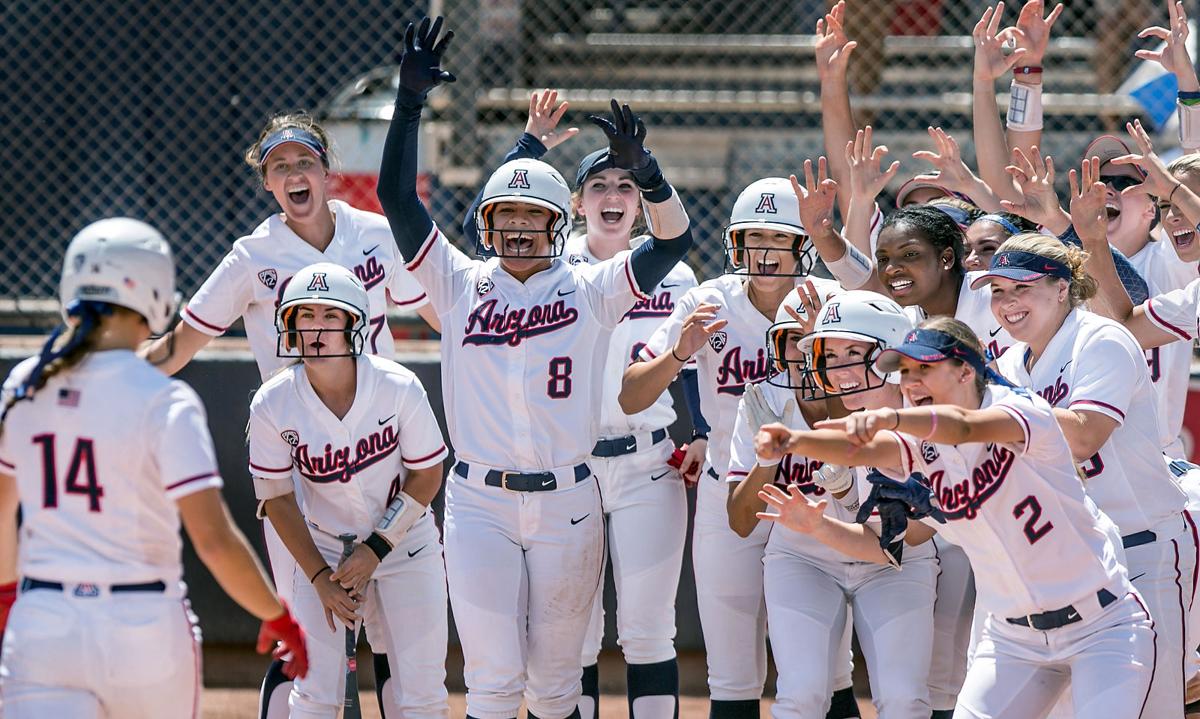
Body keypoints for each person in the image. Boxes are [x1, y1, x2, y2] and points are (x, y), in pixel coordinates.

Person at [376, 17, 695, 719]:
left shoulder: (592, 286)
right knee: (490, 682)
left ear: (561, 223)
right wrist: (408, 106)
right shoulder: (458, 282)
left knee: (555, 686)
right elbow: (397, 200)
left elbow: (675, 241)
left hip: (567, 499)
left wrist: (652, 176)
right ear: (486, 223)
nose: (518, 226)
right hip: (479, 502)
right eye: (506, 214)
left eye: (533, 214)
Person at [139, 111, 436, 719]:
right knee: (314, 643)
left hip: (382, 452)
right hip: (303, 461)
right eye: (279, 166)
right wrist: (100, 367)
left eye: (305, 161)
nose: (294, 173)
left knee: (396, 641)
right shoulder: (254, 256)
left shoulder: (376, 235)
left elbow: (439, 315)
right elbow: (179, 345)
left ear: (327, 173)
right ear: (268, 184)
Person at [755, 317, 1156, 719]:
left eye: (925, 368)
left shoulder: (1020, 408)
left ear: (966, 370)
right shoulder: (924, 443)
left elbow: (964, 427)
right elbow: (862, 450)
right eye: (905, 371)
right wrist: (791, 441)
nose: (911, 381)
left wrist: (891, 418)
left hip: (1101, 627)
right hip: (1013, 640)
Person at [461, 90, 705, 719]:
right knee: (578, 634)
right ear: (572, 205)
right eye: (598, 184)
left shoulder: (671, 274)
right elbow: (477, 234)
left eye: (625, 182)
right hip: (569, 468)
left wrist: (701, 430)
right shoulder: (549, 267)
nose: (613, 194)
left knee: (649, 629)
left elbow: (693, 358)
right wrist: (528, 149)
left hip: (646, 460)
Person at [0, 218, 307, 717]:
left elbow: (0, 510)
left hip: (43, 623)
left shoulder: (23, 383)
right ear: (155, 296)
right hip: (142, 627)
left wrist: (9, 598)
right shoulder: (163, 397)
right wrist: (278, 617)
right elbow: (213, 540)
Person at [620, 170, 845, 718]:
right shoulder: (708, 301)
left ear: (802, 246)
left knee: (830, 671)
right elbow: (630, 396)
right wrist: (678, 354)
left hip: (821, 496)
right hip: (733, 493)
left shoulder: (832, 301)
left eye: (779, 239)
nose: (766, 253)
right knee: (732, 673)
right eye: (755, 239)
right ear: (736, 243)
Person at [974, 230, 1193, 717]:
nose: (1007, 302)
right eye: (998, 290)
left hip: (1144, 549)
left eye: (1021, 287)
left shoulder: (1100, 338)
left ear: (1062, 287)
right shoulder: (1009, 362)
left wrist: (985, 414)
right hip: (1072, 565)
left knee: (1153, 709)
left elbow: (1085, 434)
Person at [248, 263, 450, 718]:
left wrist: (376, 548)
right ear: (289, 327)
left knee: (421, 694)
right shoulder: (273, 403)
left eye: (329, 316)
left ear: (353, 323)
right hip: (322, 547)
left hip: (403, 543)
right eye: (305, 316)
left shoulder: (397, 386)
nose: (316, 329)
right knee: (315, 693)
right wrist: (321, 579)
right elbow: (276, 498)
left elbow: (427, 476)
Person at [727, 289, 938, 718]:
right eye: (829, 354)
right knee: (800, 696)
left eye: (851, 352)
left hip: (901, 561)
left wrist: (838, 500)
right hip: (806, 557)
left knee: (905, 699)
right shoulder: (791, 402)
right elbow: (740, 519)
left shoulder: (931, 412)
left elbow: (901, 541)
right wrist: (772, 459)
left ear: (891, 355)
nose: (836, 369)